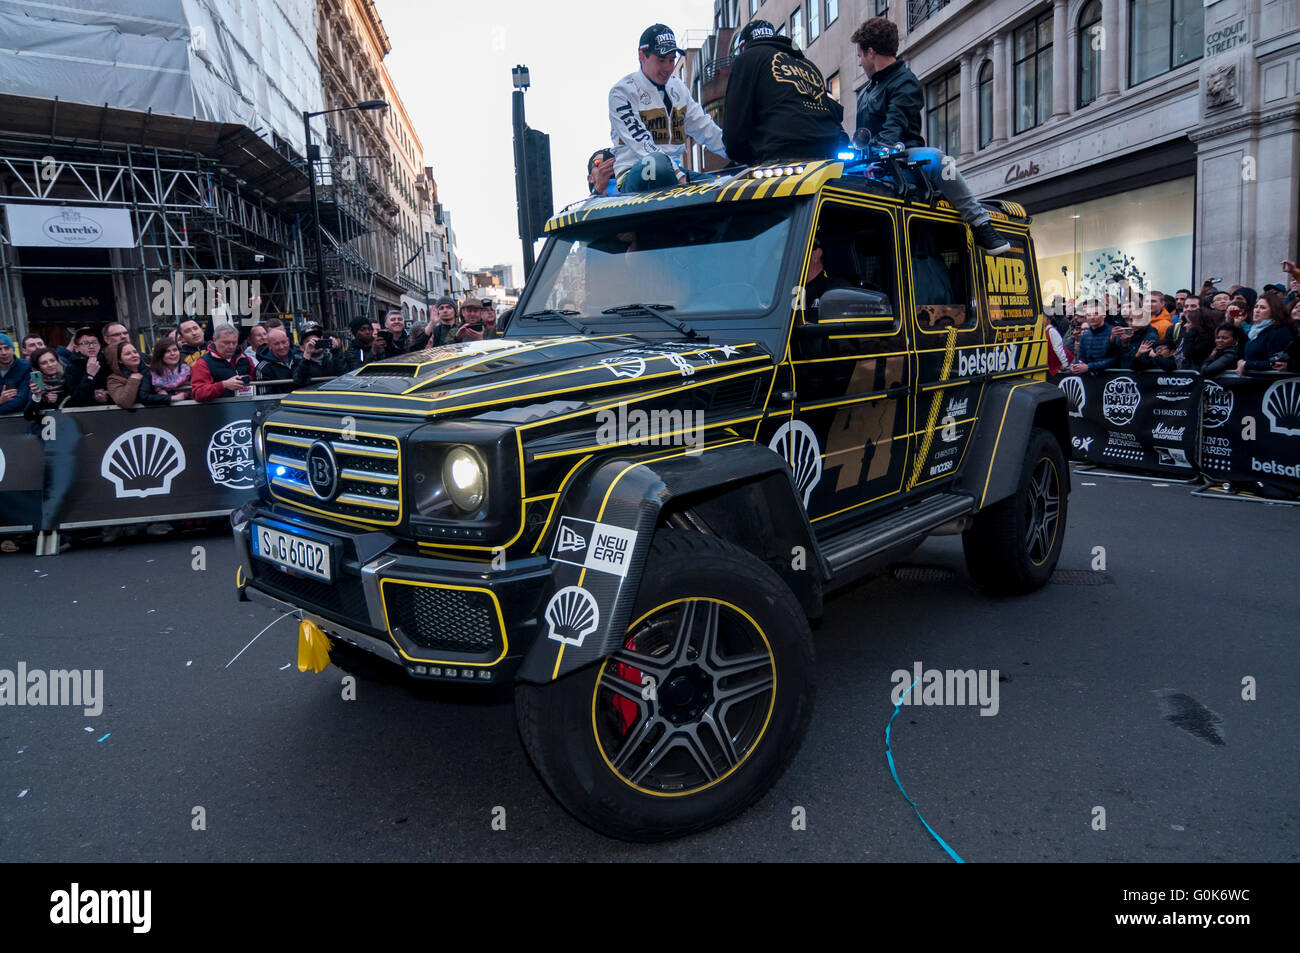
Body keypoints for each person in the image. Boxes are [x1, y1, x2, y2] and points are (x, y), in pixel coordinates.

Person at [851, 17, 1009, 254]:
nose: (860, 63)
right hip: (866, 162)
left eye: (860, 56)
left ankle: (979, 223)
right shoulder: (866, 93)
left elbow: (893, 128)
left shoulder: (906, 83)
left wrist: (879, 155)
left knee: (939, 159)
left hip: (905, 160)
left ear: (871, 52)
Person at [609, 24, 728, 191]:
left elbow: (704, 127)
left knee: (725, 186)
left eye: (672, 59)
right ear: (642, 56)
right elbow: (642, 142)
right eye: (661, 60)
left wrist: (738, 152)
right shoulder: (621, 92)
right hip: (635, 174)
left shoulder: (678, 87)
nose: (668, 67)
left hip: (676, 172)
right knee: (657, 163)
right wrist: (678, 173)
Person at [722, 19, 846, 166]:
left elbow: (734, 132)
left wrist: (750, 158)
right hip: (828, 158)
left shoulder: (746, 59)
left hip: (781, 158)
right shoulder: (808, 65)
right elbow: (833, 110)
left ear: (742, 46)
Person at [190, 323, 253, 402]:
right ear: (214, 340)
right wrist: (223, 385)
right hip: (217, 411)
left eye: (234, 342)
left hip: (246, 407)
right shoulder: (202, 363)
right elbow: (198, 393)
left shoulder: (245, 359)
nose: (231, 346)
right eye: (226, 343)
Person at [1236, 292, 1296, 374]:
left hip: (1272, 383)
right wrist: (1240, 361)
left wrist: (1246, 364)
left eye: (1263, 308)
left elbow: (1277, 363)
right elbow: (1242, 352)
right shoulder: (1253, 331)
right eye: (1256, 307)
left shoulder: (1279, 331)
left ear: (1274, 311)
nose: (1257, 310)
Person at [104, 342, 173, 408]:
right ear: (119, 360)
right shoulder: (114, 380)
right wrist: (133, 380)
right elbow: (124, 402)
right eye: (128, 354)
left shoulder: (151, 369)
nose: (134, 355)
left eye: (135, 352)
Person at [62, 326, 109, 406]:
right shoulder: (71, 368)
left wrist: (107, 396)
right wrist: (89, 375)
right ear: (76, 348)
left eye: (94, 343)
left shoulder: (107, 363)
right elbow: (75, 397)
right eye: (86, 343)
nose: (91, 346)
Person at [1068, 301, 1118, 373]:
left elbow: (1115, 358)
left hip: (1110, 377)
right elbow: (1083, 358)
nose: (1092, 317)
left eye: (1096, 314)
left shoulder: (1113, 332)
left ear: (1104, 315)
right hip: (1090, 378)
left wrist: (1089, 367)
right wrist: (1076, 366)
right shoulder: (1085, 335)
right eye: (1089, 315)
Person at [25, 347, 67, 414]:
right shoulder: (35, 384)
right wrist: (37, 396)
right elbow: (28, 415)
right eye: (44, 363)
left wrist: (57, 400)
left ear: (58, 361)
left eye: (52, 360)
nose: (50, 365)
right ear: (38, 367)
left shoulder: (68, 377)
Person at [0, 332, 31, 414]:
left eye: (7, 348)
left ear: (13, 350)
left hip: (20, 421)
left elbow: (21, 401)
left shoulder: (26, 367)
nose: (3, 353)